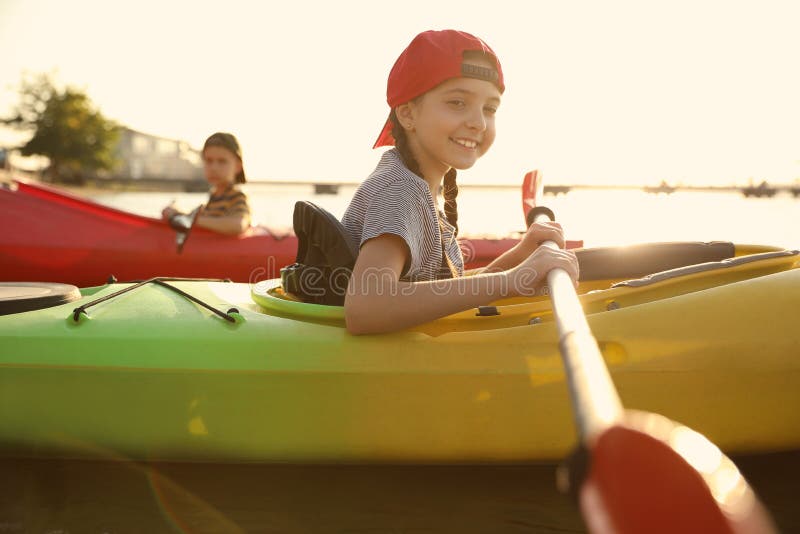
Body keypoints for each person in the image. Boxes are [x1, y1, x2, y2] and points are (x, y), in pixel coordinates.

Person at [342, 29, 580, 335]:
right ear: (407, 114)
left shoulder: (414, 184)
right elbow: (366, 308)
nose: (478, 122)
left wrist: (519, 258)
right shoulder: (399, 190)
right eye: (457, 103)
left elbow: (445, 293)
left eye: (490, 109)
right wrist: (511, 280)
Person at [162, 132, 251, 235]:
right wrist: (176, 212)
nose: (214, 168)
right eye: (209, 161)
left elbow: (238, 225)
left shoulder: (237, 196)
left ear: (238, 166)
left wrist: (188, 218)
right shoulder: (214, 196)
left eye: (222, 161)